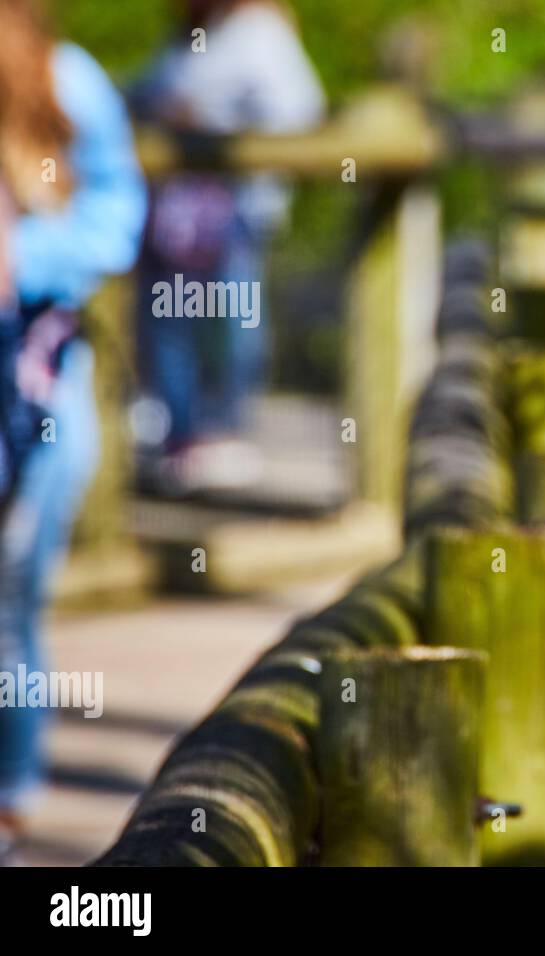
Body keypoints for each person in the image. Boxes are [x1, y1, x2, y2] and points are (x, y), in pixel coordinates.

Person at [0, 0, 147, 861]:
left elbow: (118, 219)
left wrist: (26, 266)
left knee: (13, 594)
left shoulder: (66, 83)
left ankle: (11, 799)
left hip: (41, 391)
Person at [131, 0, 325, 493]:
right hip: (175, 218)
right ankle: (183, 437)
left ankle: (224, 431)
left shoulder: (258, 30)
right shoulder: (189, 34)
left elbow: (298, 110)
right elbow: (144, 90)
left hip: (233, 213)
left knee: (232, 321)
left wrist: (213, 125)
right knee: (170, 320)